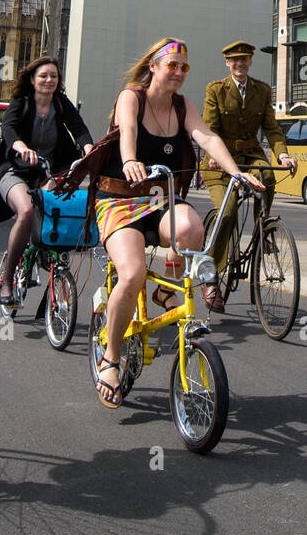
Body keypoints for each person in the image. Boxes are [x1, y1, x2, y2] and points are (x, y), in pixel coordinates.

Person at [92, 38, 264, 409]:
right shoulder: (131, 97)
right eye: (172, 65)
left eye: (184, 68)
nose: (179, 73)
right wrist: (129, 160)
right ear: (153, 66)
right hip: (120, 199)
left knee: (191, 228)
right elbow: (128, 135)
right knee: (133, 272)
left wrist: (236, 173)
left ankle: (165, 288)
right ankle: (111, 357)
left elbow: (207, 136)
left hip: (160, 200)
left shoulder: (183, 105)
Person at [0, 55, 94, 317]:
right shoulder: (21, 102)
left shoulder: (60, 103)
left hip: (47, 171)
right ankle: (7, 281)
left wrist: (89, 150)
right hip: (16, 171)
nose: (48, 80)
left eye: (53, 76)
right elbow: (8, 128)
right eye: (43, 76)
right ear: (32, 79)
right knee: (26, 211)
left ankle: (45, 251)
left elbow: (79, 128)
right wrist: (21, 147)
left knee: (58, 207)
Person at [199, 40, 297, 312]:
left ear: (251, 62)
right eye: (235, 61)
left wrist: (283, 155)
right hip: (219, 160)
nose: (240, 64)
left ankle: (261, 228)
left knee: (267, 174)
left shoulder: (262, 91)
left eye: (244, 60)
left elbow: (272, 128)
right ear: (228, 63)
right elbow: (209, 130)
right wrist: (215, 158)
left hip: (250, 155)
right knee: (228, 212)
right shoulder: (215, 90)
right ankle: (210, 276)